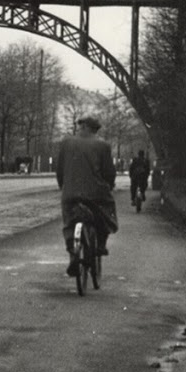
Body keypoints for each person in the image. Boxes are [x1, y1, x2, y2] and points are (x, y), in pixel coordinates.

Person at [56, 115, 117, 276]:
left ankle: (73, 255)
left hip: (70, 193)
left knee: (69, 222)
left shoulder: (66, 142)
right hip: (96, 194)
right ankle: (101, 244)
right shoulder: (103, 145)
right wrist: (109, 186)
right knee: (106, 212)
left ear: (82, 127)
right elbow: (109, 173)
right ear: (94, 130)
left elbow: (60, 170)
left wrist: (63, 187)